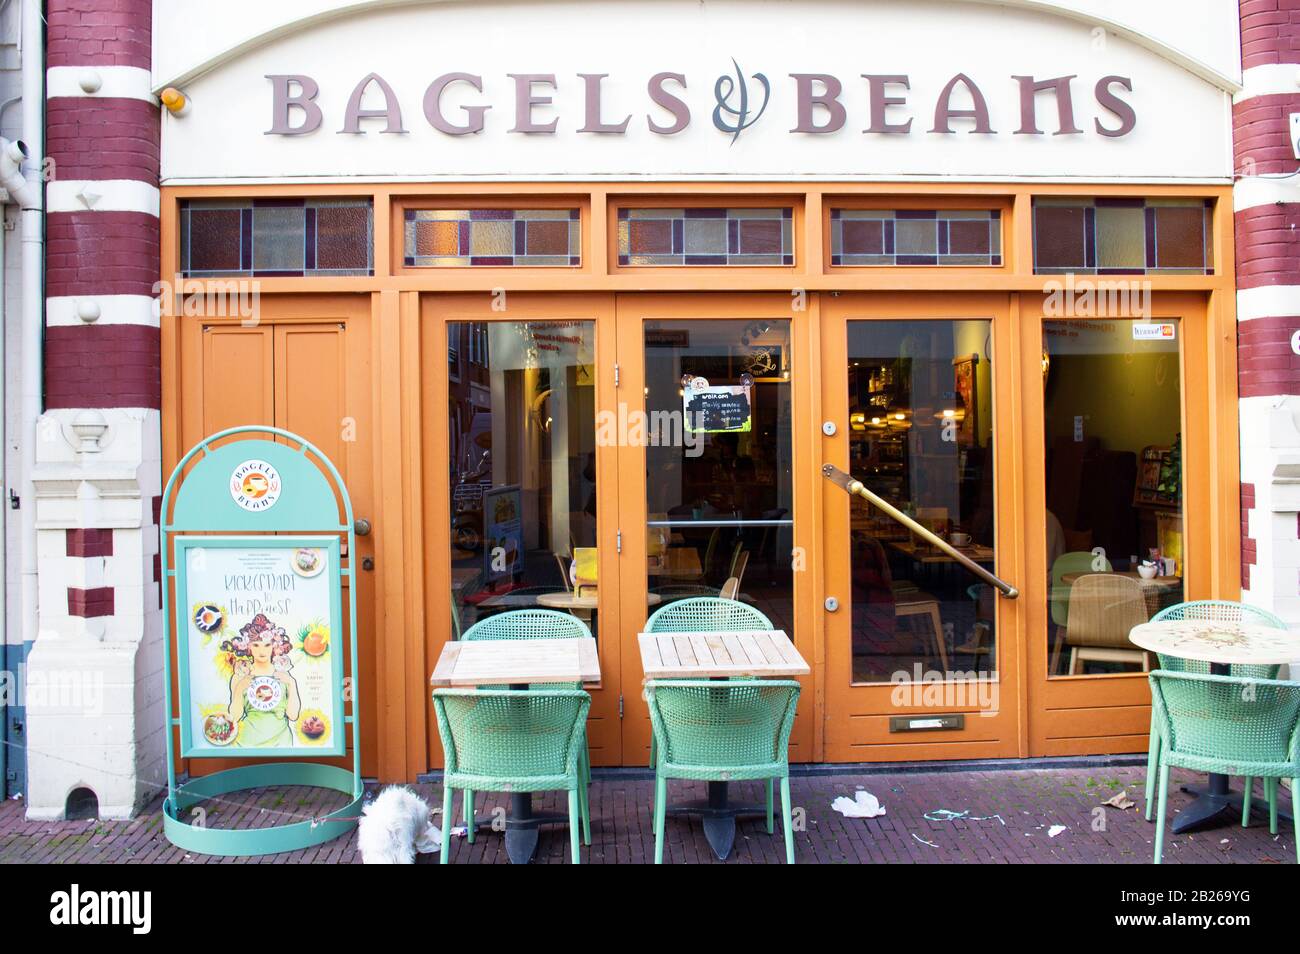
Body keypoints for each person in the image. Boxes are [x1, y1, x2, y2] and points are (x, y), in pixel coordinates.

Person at [225, 614, 301, 748]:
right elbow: (234, 717)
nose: (262, 651)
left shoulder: (282, 673)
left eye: (267, 645)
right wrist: (240, 688)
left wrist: (292, 684)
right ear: (248, 647)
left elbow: (293, 715)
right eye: (256, 645)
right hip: (246, 743)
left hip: (281, 742)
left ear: (274, 646)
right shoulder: (240, 675)